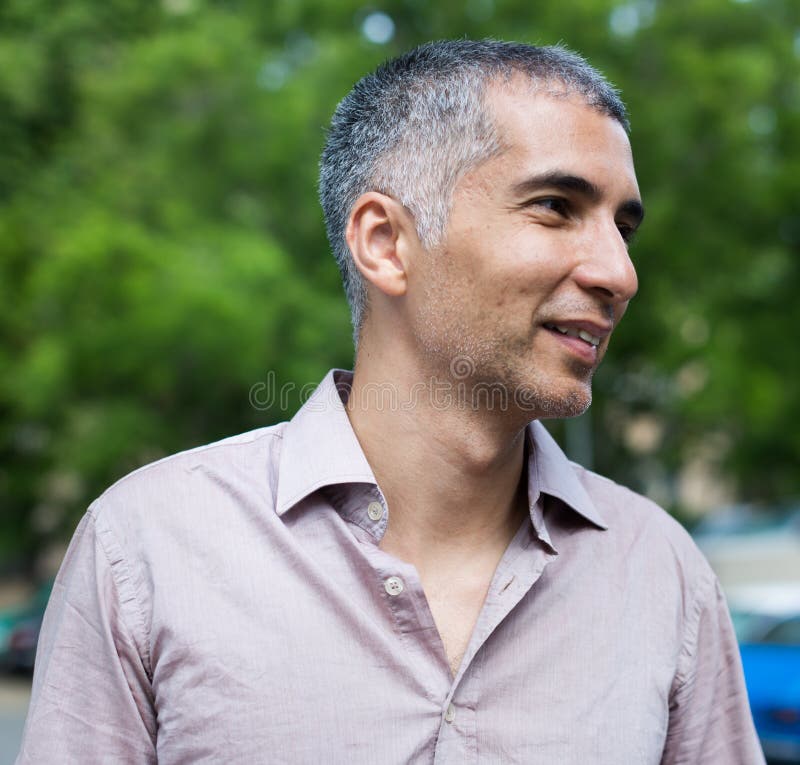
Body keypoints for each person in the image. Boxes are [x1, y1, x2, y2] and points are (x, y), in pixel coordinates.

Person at [17, 39, 764, 764]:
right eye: (555, 206)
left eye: (623, 227)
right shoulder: (147, 549)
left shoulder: (661, 573)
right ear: (384, 242)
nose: (620, 273)